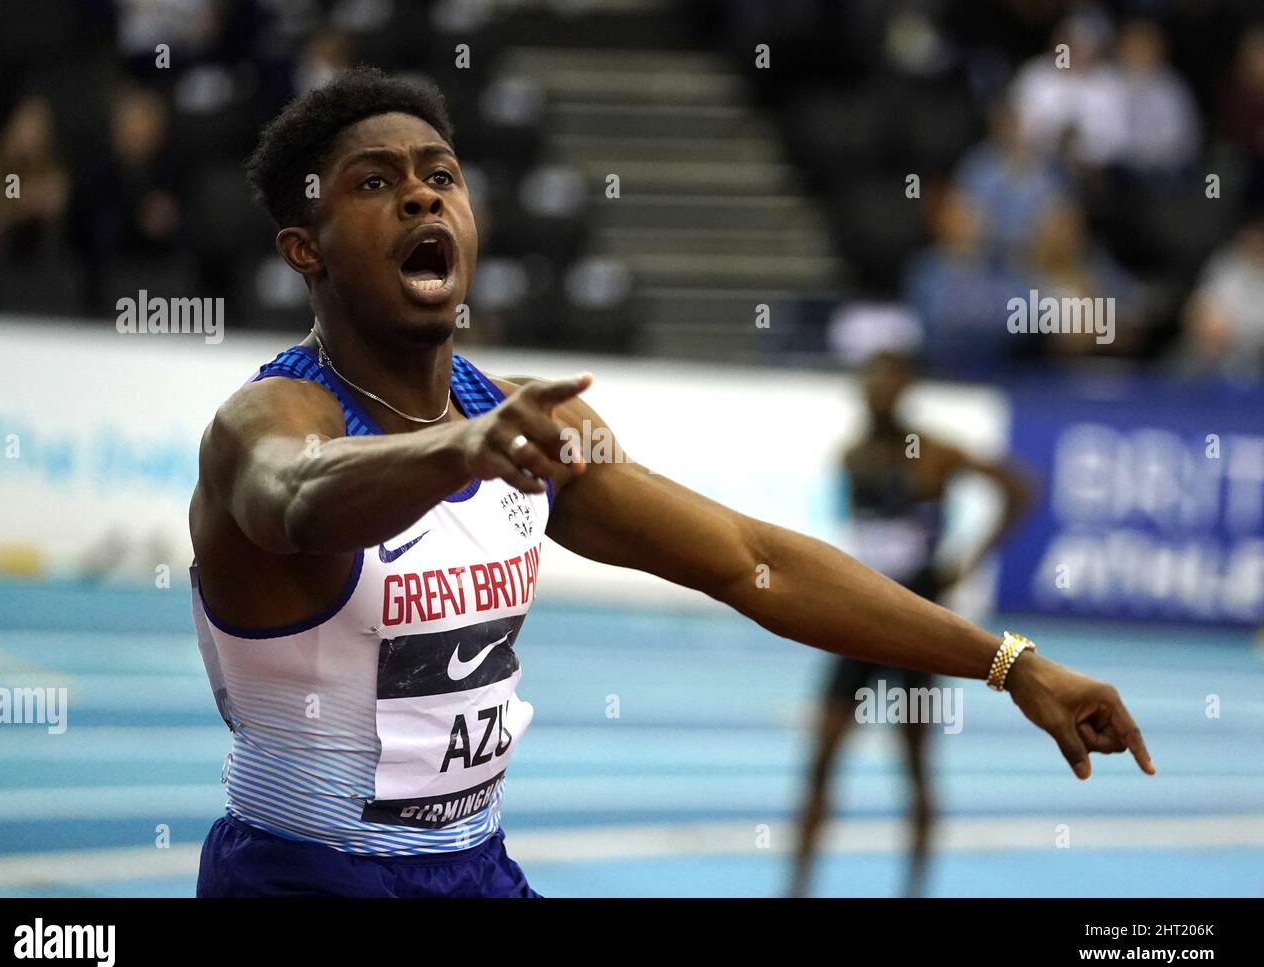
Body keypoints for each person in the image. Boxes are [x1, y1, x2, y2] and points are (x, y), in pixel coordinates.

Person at [189, 67, 1154, 899]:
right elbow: (298, 495)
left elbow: (755, 562)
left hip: (474, 868)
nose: (422, 198)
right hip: (302, 874)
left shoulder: (539, 424)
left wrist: (1011, 664)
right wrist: (459, 453)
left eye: (442, 177)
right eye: (376, 183)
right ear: (303, 249)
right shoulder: (269, 423)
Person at [788, 350, 1034, 898]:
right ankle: (796, 888)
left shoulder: (936, 453)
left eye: (888, 385)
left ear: (904, 391)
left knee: (916, 764)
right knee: (822, 758)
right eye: (869, 384)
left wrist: (966, 562)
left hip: (917, 629)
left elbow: (1019, 489)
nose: (877, 394)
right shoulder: (850, 457)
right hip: (854, 623)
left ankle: (915, 890)